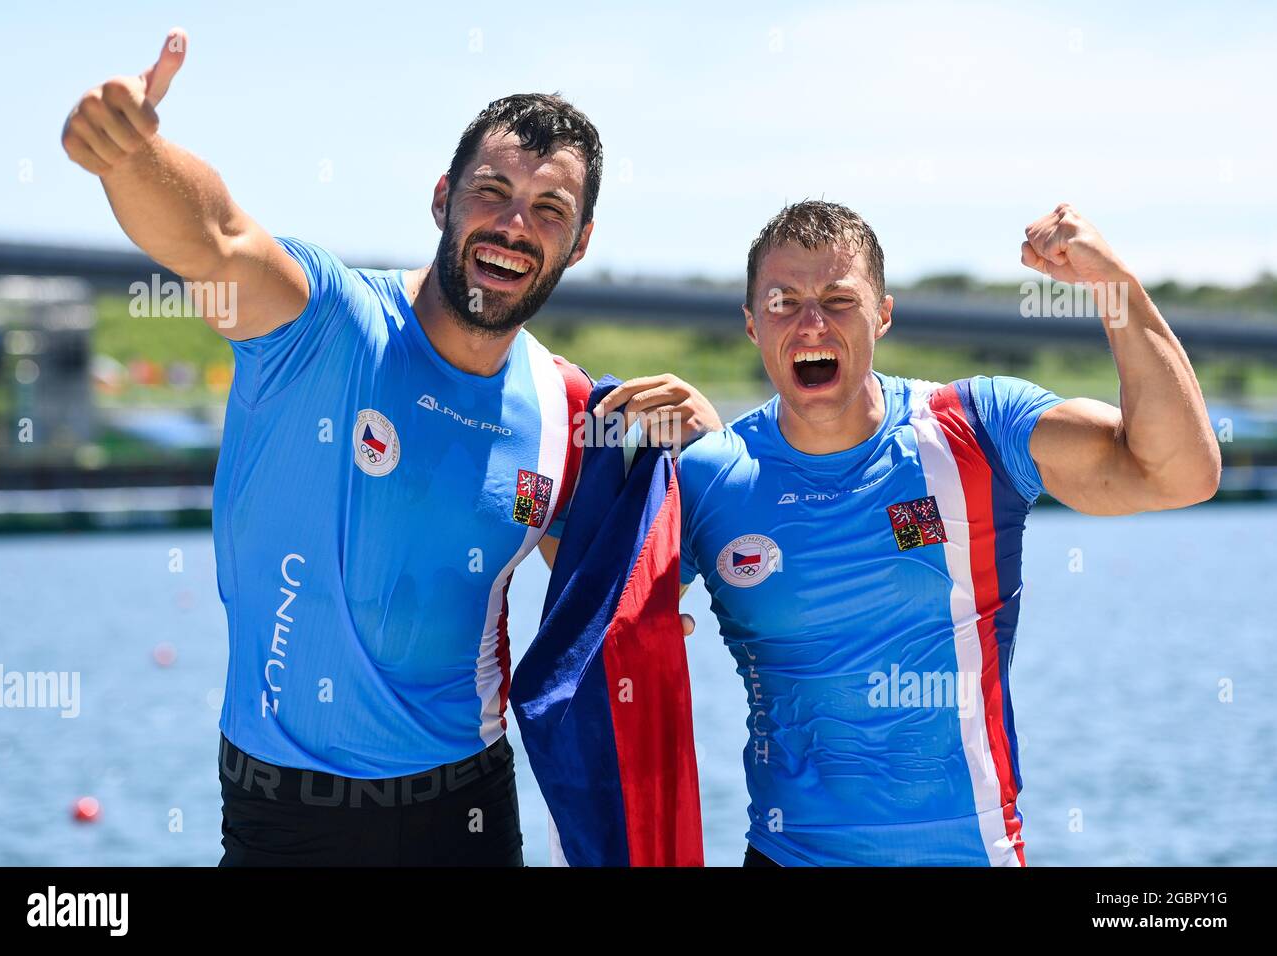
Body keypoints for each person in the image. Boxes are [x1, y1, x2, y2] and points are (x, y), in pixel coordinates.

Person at [61, 28, 719, 866]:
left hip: (469, 813)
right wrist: (132, 156)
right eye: (492, 192)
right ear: (443, 198)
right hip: (284, 819)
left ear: (580, 242)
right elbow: (214, 238)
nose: (515, 226)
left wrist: (708, 461)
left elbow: (616, 590)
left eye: (548, 210)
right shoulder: (323, 324)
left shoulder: (567, 407)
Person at [677, 199, 1221, 866]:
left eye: (839, 300)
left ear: (883, 314)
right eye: (784, 302)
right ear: (751, 324)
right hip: (789, 855)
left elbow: (1180, 473)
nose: (811, 323)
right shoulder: (709, 476)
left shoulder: (976, 428)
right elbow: (593, 609)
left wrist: (1116, 289)